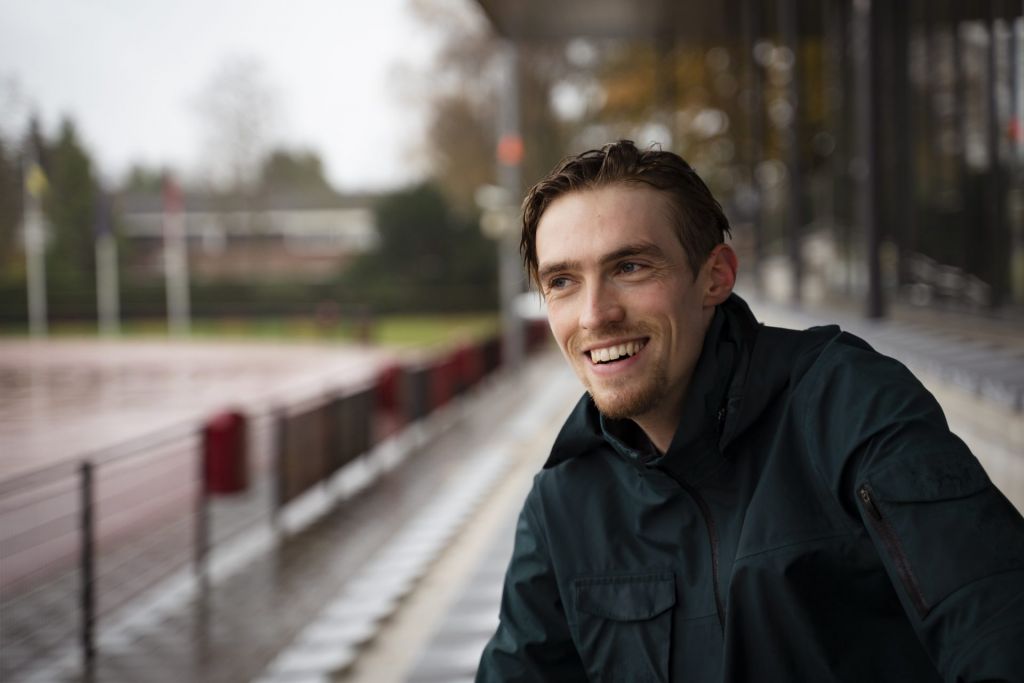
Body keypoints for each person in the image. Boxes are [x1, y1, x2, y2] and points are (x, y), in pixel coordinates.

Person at [475, 140, 1024, 682]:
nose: (595, 315)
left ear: (716, 276)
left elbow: (997, 627)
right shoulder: (563, 501)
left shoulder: (845, 403)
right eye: (562, 282)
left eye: (631, 266)